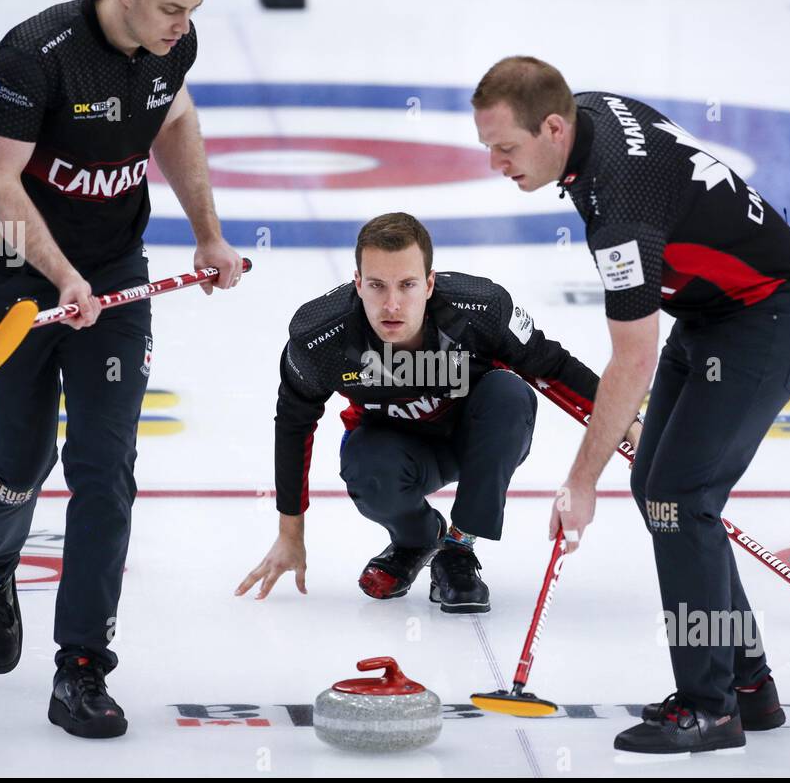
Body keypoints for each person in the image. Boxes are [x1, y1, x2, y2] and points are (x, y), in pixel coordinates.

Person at [472, 56, 790, 753]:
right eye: (488, 147)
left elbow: (632, 359)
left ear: (553, 129)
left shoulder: (621, 209)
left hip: (767, 319)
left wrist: (579, 482)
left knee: (679, 499)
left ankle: (709, 708)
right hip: (711, 314)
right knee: (659, 489)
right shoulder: (589, 110)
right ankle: (748, 684)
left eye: (506, 148)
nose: (495, 164)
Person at [0, 0, 242, 739]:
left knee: (105, 468)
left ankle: (81, 667)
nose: (182, 24)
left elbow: (174, 119)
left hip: (115, 275)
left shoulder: (172, 45)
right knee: (19, 466)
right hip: (14, 274)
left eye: (193, 10)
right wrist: (61, 275)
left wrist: (208, 233)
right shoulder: (33, 57)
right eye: (171, 7)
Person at [237, 212, 627, 614]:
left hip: (477, 438)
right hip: (395, 451)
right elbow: (294, 423)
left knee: (509, 394)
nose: (392, 304)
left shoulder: (480, 308)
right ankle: (418, 538)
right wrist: (290, 533)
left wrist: (629, 424)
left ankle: (459, 547)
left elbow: (554, 367)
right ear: (357, 283)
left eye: (407, 285)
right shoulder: (319, 339)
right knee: (367, 467)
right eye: (377, 285)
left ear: (429, 283)